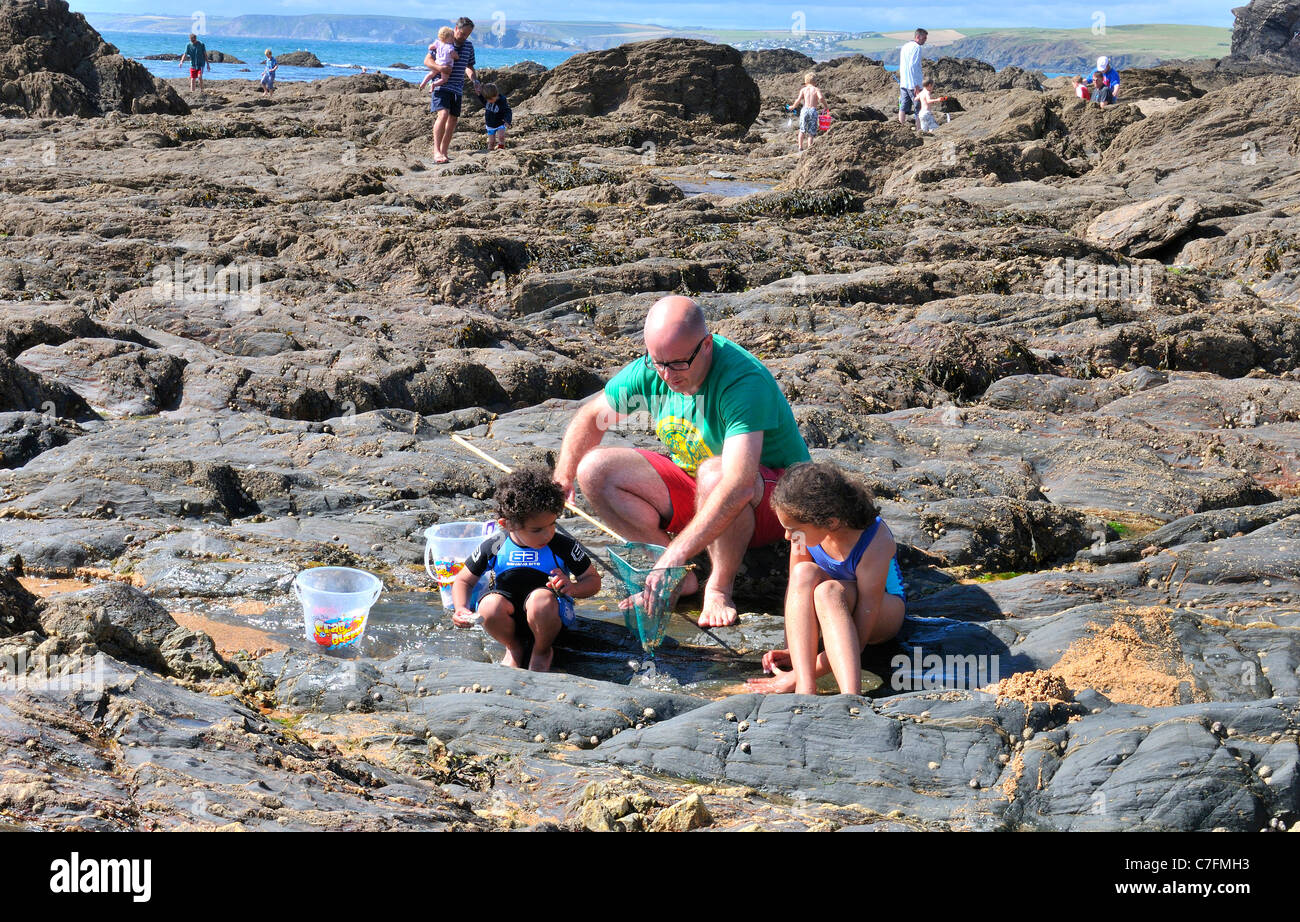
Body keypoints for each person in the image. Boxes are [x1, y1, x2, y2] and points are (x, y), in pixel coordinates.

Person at [555, 296, 810, 628]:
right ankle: (676, 578)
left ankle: (718, 587)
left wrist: (676, 554)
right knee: (593, 469)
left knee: (715, 474)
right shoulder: (655, 369)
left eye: (676, 364)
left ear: (706, 345)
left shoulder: (742, 382)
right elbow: (592, 417)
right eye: (657, 362)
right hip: (699, 487)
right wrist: (563, 476)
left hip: (777, 502)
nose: (665, 375)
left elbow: (739, 484)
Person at [747, 462, 906, 695]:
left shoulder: (875, 540)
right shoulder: (802, 533)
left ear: (830, 522)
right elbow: (797, 592)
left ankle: (851, 697)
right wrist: (794, 651)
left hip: (881, 613)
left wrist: (795, 676)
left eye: (793, 529)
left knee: (828, 592)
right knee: (803, 573)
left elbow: (861, 636)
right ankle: (805, 688)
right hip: (836, 608)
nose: (786, 535)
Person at [450, 467, 601, 672]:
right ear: (507, 524)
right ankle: (514, 647)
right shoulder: (496, 544)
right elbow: (463, 580)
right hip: (508, 618)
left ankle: (542, 651)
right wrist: (461, 608)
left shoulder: (562, 545)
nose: (548, 534)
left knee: (540, 600)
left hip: (550, 615)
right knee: (488, 606)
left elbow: (593, 580)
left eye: (552, 524)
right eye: (537, 530)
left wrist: (572, 588)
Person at [425, 17, 477, 164]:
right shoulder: (444, 42)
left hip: (457, 88)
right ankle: (436, 152)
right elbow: (427, 61)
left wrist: (475, 81)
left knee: (453, 119)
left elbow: (469, 66)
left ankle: (444, 152)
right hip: (441, 85)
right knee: (443, 114)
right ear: (456, 29)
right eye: (462, 33)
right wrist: (440, 68)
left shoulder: (468, 46)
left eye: (468, 34)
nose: (464, 37)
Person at [788, 72, 825, 153]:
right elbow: (821, 98)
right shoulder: (816, 89)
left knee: (802, 130)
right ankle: (809, 148)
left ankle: (800, 148)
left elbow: (798, 100)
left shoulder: (803, 89)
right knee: (811, 132)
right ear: (815, 82)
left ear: (805, 82)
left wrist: (793, 107)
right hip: (813, 110)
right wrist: (826, 106)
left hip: (804, 110)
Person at [897, 28, 927, 127]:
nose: (925, 40)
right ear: (918, 37)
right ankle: (919, 130)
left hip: (904, 82)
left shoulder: (905, 46)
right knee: (920, 108)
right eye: (924, 38)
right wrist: (916, 85)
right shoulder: (917, 47)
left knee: (902, 108)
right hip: (913, 84)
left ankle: (900, 127)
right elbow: (912, 66)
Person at [418, 26, 458, 92]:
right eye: (452, 37)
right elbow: (453, 55)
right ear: (447, 38)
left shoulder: (438, 43)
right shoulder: (450, 47)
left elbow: (430, 47)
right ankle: (434, 84)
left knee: (431, 74)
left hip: (437, 63)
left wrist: (432, 47)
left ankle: (423, 83)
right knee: (444, 79)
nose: (453, 38)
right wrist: (457, 56)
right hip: (446, 65)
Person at [476, 82, 513, 150]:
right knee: (491, 142)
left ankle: (501, 149)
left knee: (501, 137)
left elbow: (508, 111)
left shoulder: (502, 101)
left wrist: (508, 121)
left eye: (491, 99)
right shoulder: (488, 99)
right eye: (488, 100)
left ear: (496, 95)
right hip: (490, 124)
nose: (489, 101)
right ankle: (490, 152)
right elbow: (483, 100)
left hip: (500, 123)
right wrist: (479, 95)